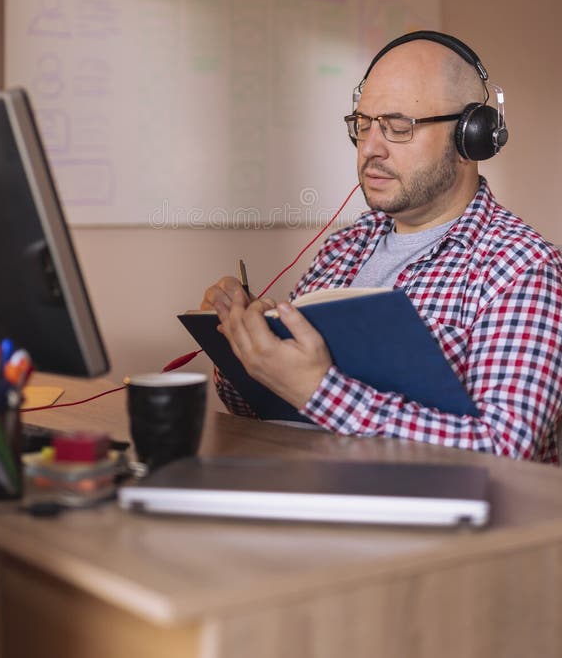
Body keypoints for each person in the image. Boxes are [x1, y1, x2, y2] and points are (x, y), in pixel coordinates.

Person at [202, 31, 562, 463]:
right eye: (363, 124)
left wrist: (318, 390)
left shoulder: (522, 267)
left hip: (445, 526)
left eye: (398, 127)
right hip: (323, 501)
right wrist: (243, 346)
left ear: (471, 137)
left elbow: (505, 451)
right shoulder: (344, 248)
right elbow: (271, 411)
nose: (370, 148)